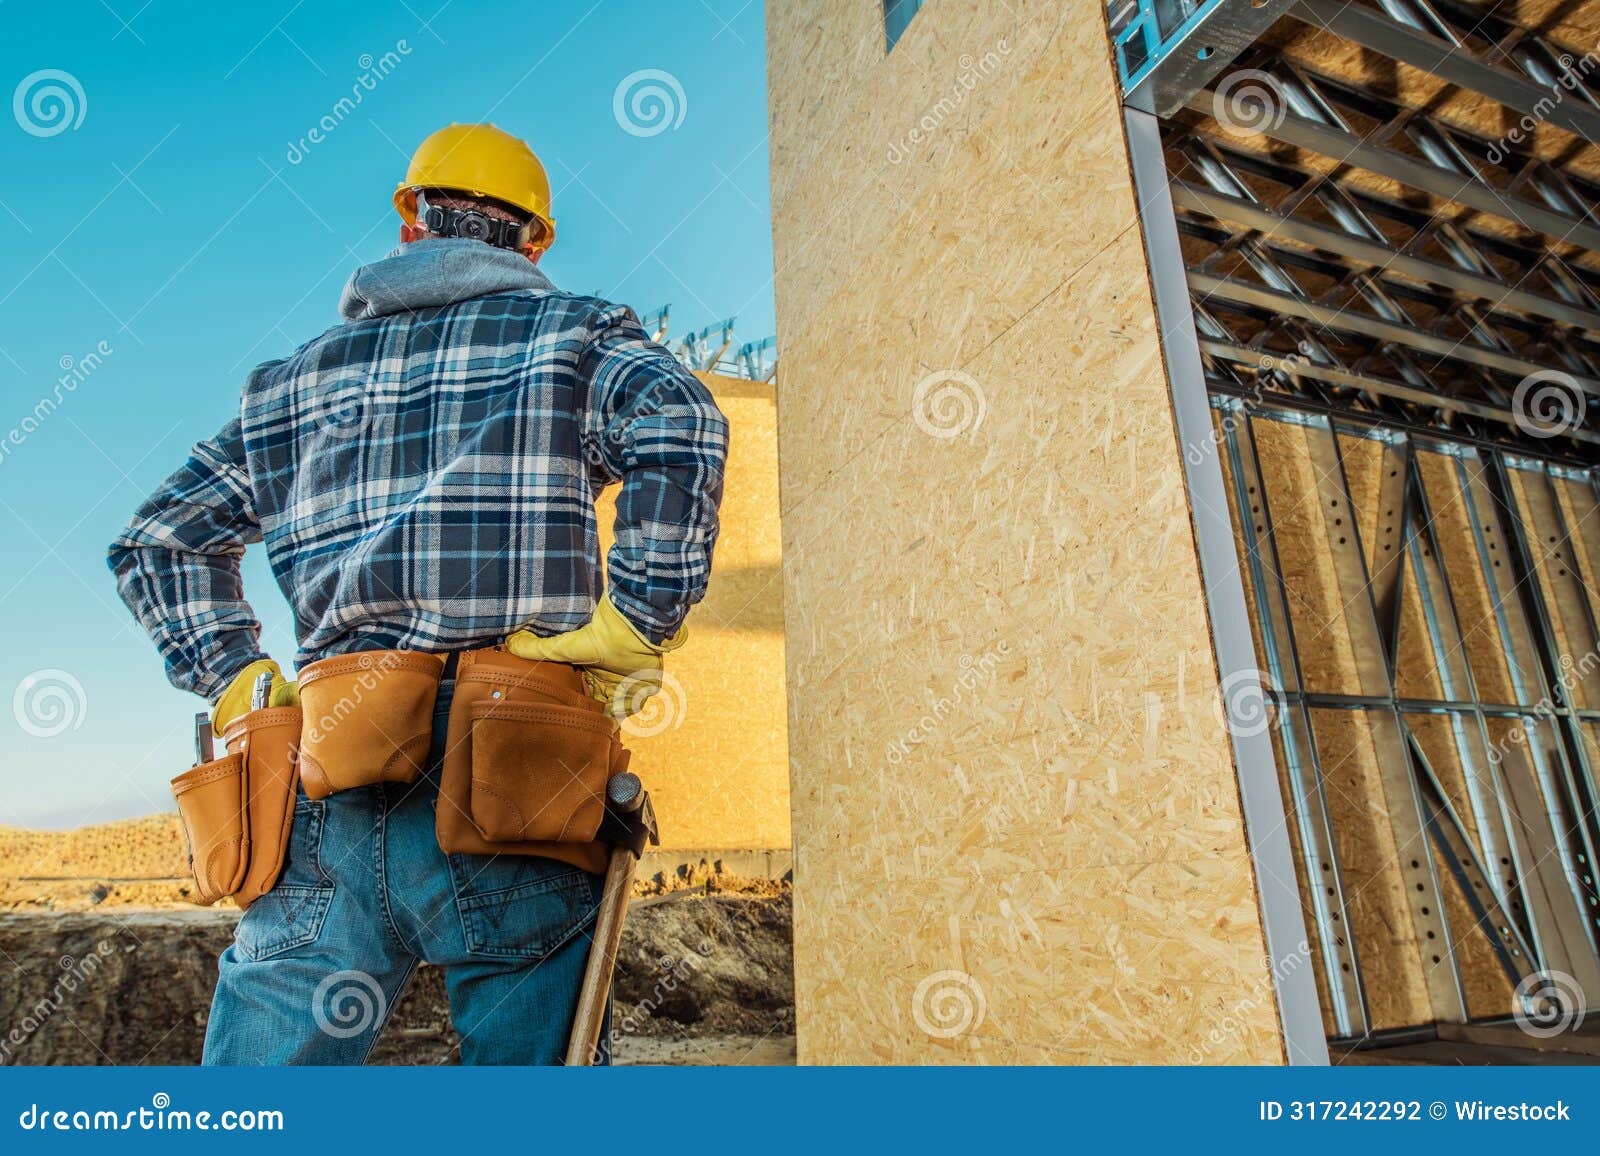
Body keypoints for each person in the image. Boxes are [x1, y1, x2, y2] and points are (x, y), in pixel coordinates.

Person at [108, 123, 728, 1065]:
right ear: (533, 241)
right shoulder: (573, 333)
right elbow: (678, 420)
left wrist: (236, 677)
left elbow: (158, 540)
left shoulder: (292, 381)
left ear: (411, 224)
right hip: (519, 764)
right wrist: (633, 621)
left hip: (334, 770)